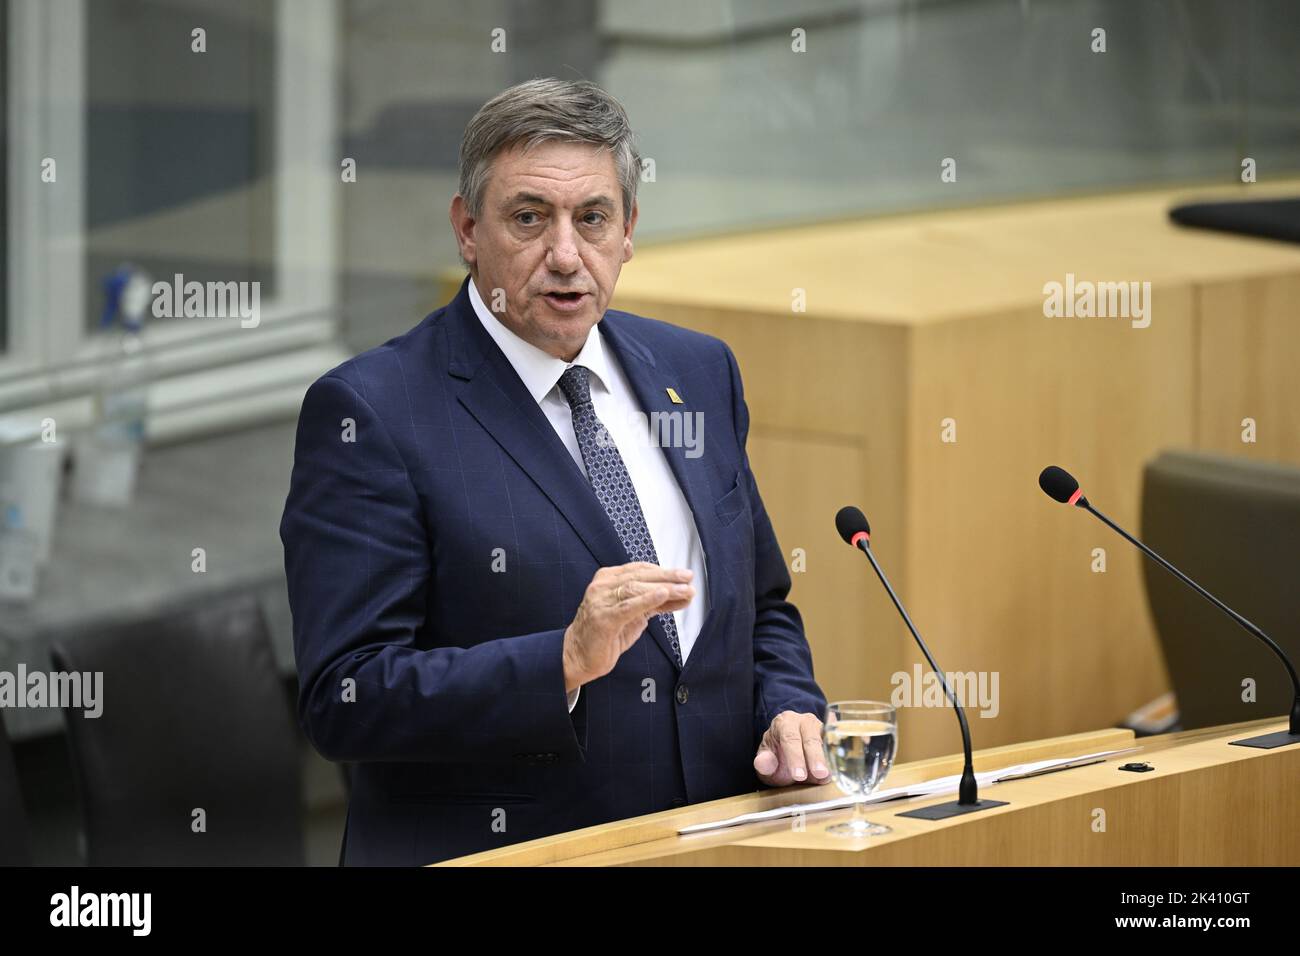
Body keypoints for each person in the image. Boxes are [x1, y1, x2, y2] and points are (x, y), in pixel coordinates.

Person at [280, 78, 828, 866]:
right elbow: (346, 696)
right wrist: (562, 660)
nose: (566, 255)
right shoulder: (373, 413)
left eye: (593, 219)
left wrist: (787, 707)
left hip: (710, 846)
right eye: (530, 217)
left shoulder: (697, 370)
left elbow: (763, 607)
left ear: (630, 230)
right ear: (468, 229)